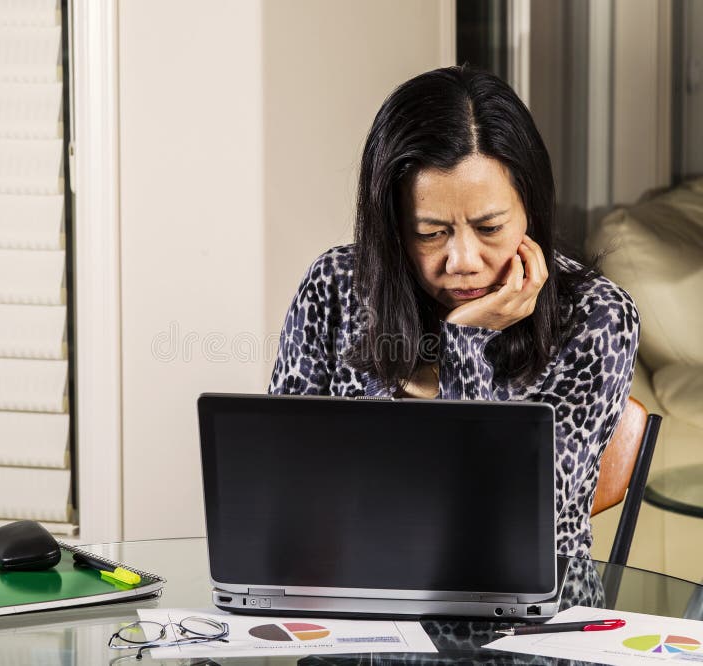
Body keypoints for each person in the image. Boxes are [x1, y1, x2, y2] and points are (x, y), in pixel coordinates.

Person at [268, 65, 640, 559]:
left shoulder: (597, 317)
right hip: (349, 585)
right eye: (430, 233)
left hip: (523, 597)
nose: (463, 261)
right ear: (393, 228)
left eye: (490, 228)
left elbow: (502, 527)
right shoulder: (335, 286)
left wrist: (464, 344)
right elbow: (282, 486)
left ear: (531, 210)